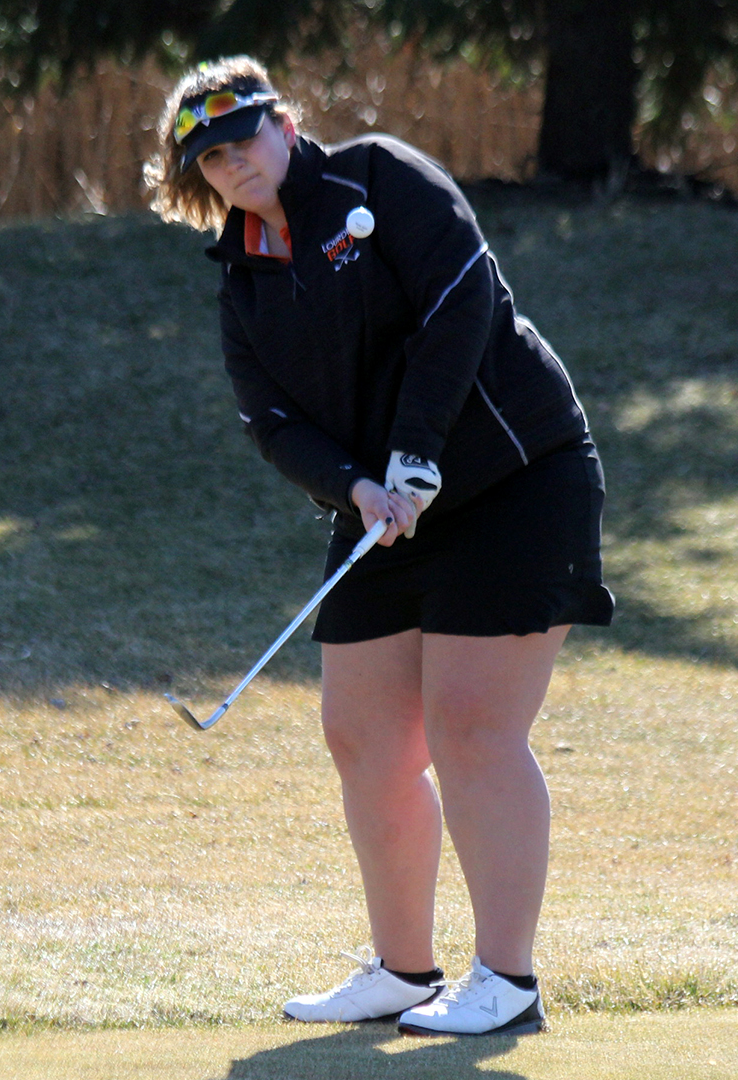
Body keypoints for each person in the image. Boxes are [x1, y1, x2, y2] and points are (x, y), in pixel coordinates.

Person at [146, 57, 612, 1037]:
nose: (237, 166)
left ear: (283, 121)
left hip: (513, 480)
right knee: (362, 737)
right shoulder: (240, 277)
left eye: (247, 139)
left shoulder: (377, 176)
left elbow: (462, 301)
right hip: (384, 511)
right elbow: (271, 421)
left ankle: (507, 982)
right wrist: (357, 488)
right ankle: (404, 971)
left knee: (472, 729)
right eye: (214, 160)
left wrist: (411, 454)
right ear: (198, 177)